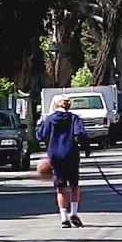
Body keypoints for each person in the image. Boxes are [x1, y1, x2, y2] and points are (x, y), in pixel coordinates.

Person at [36, 95, 91, 228]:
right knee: (74, 185)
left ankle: (63, 217)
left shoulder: (49, 119)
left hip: (55, 156)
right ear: (68, 105)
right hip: (71, 155)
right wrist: (86, 148)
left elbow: (40, 135)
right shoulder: (74, 118)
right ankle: (74, 212)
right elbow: (80, 134)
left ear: (55, 105)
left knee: (61, 187)